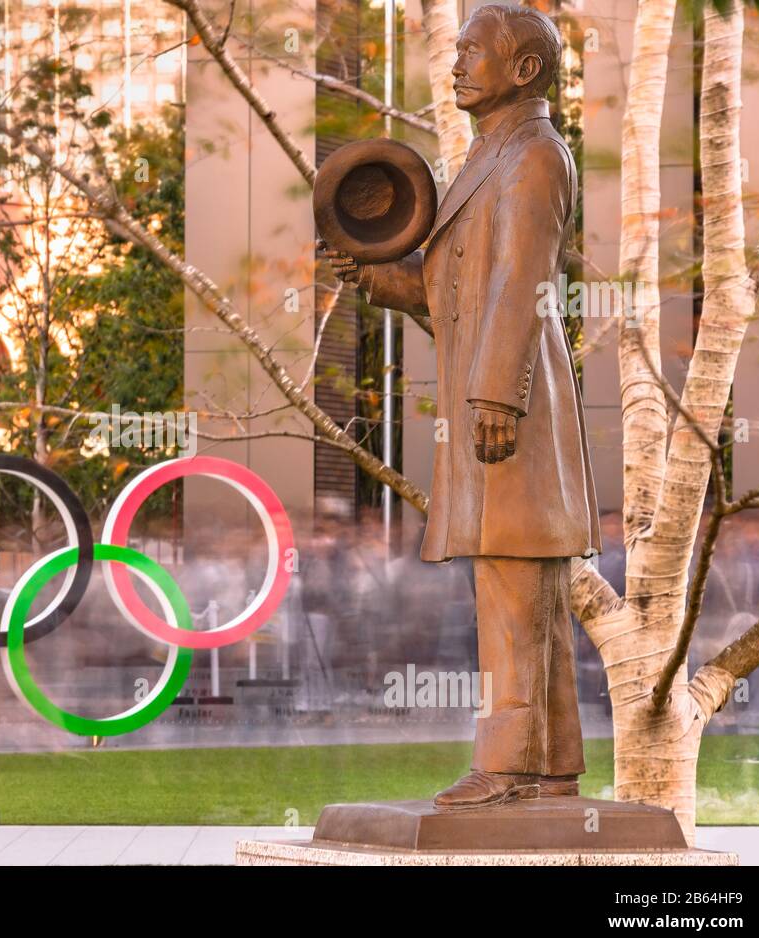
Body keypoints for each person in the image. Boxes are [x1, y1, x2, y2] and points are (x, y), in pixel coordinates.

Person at [322, 4, 600, 808]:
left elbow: (520, 280)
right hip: (499, 399)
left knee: (513, 590)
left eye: (474, 52)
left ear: (525, 70)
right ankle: (550, 771)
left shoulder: (536, 155)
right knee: (524, 591)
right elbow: (461, 292)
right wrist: (377, 276)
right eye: (457, 50)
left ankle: (509, 767)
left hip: (510, 406)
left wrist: (492, 396)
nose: (456, 65)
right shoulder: (492, 153)